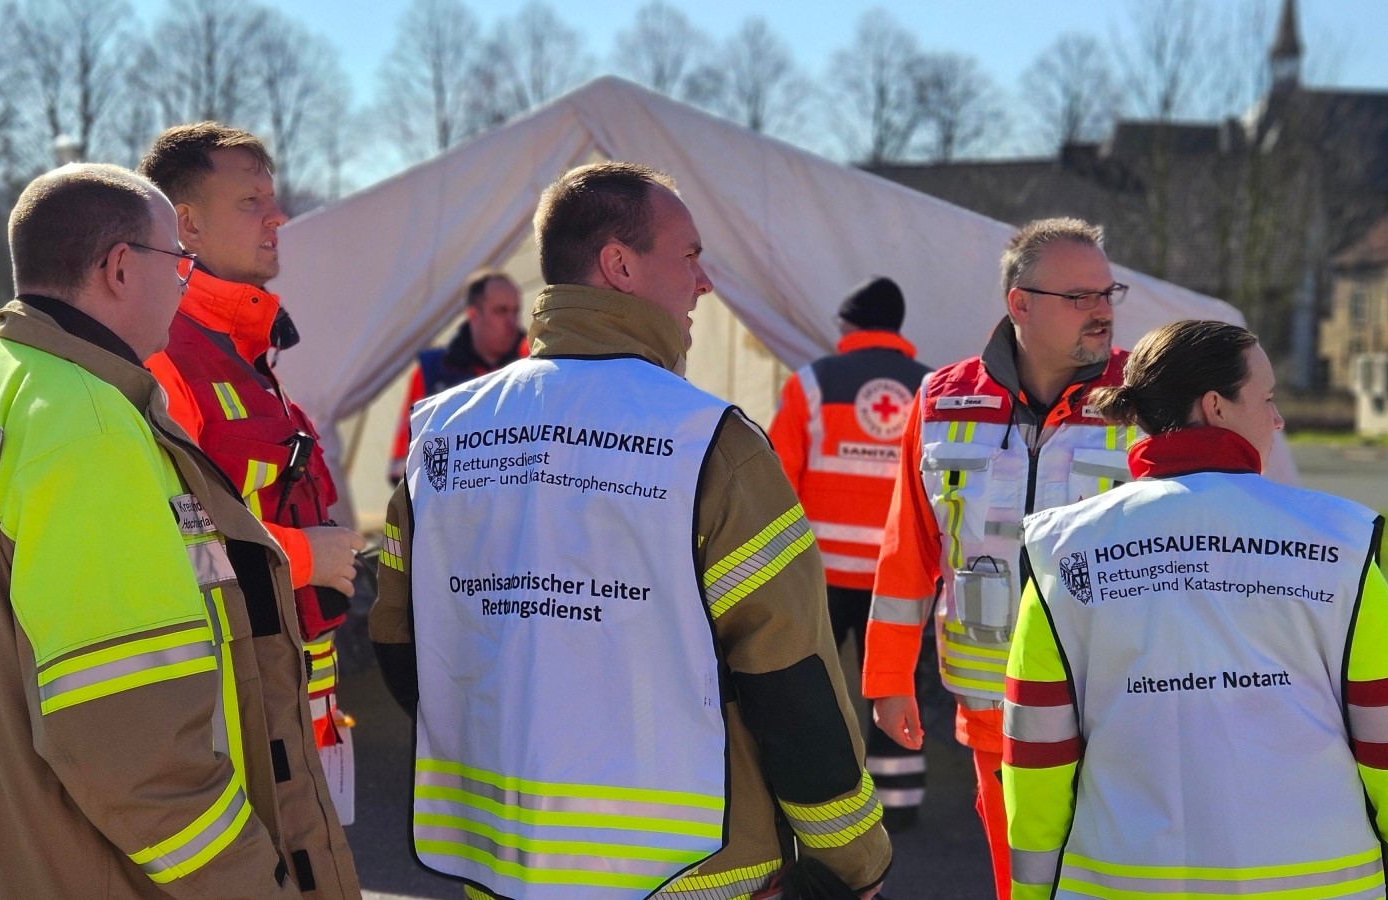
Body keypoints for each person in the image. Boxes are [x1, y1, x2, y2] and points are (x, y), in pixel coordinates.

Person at [370, 162, 891, 900]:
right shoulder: (713, 444)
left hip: (503, 864)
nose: (704, 283)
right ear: (619, 264)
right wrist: (855, 860)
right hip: (690, 875)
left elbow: (402, 642)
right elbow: (791, 684)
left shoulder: (445, 435)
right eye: (688, 257)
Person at [0, 163, 357, 897]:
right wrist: (256, 882)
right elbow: (132, 749)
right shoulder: (89, 425)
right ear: (121, 268)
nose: (185, 284)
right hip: (44, 864)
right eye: (177, 263)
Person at [1005, 319, 1388, 899]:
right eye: (1266, 399)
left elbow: (1036, 755)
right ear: (1215, 406)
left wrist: (1033, 893)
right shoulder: (1339, 540)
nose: (1278, 418)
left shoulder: (1063, 550)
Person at [864, 217, 1137, 899]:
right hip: (994, 709)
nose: (1102, 310)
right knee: (1019, 883)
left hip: (1117, 702)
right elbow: (909, 549)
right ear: (1021, 304)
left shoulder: (1147, 398)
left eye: (1108, 293)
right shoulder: (941, 400)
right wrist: (889, 677)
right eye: (1081, 296)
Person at [139, 123, 366, 827]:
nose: (277, 217)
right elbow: (161, 545)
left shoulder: (250, 355)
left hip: (301, 728)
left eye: (272, 198)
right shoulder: (166, 358)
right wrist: (305, 555)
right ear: (188, 225)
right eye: (250, 201)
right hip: (238, 744)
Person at [768, 276, 932, 832]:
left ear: (847, 327)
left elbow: (776, 480)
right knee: (895, 684)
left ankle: (813, 800)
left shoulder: (811, 384)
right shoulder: (933, 389)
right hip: (900, 576)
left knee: (806, 684)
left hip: (822, 570)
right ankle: (902, 804)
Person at [386, 270, 526, 485]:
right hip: (449, 509)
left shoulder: (535, 369)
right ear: (473, 315)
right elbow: (401, 467)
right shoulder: (432, 371)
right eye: (501, 311)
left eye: (515, 311)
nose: (511, 321)